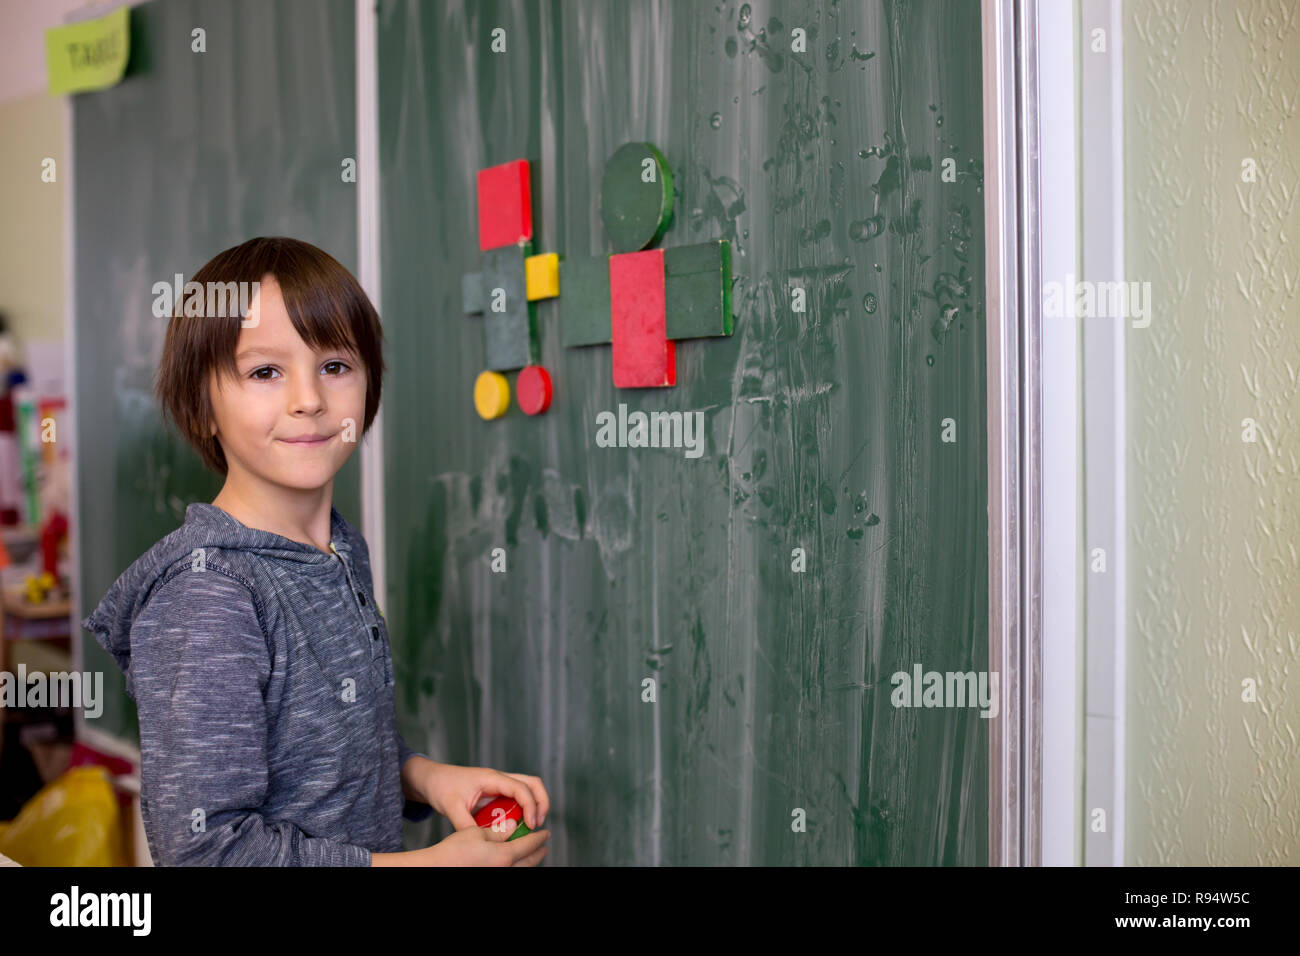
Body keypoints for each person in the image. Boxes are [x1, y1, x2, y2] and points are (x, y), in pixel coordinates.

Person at [82, 236, 549, 866]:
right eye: (265, 372)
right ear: (202, 409)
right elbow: (206, 853)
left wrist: (432, 780)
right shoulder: (208, 594)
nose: (309, 398)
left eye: (334, 365)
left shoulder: (336, 549)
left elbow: (326, 753)